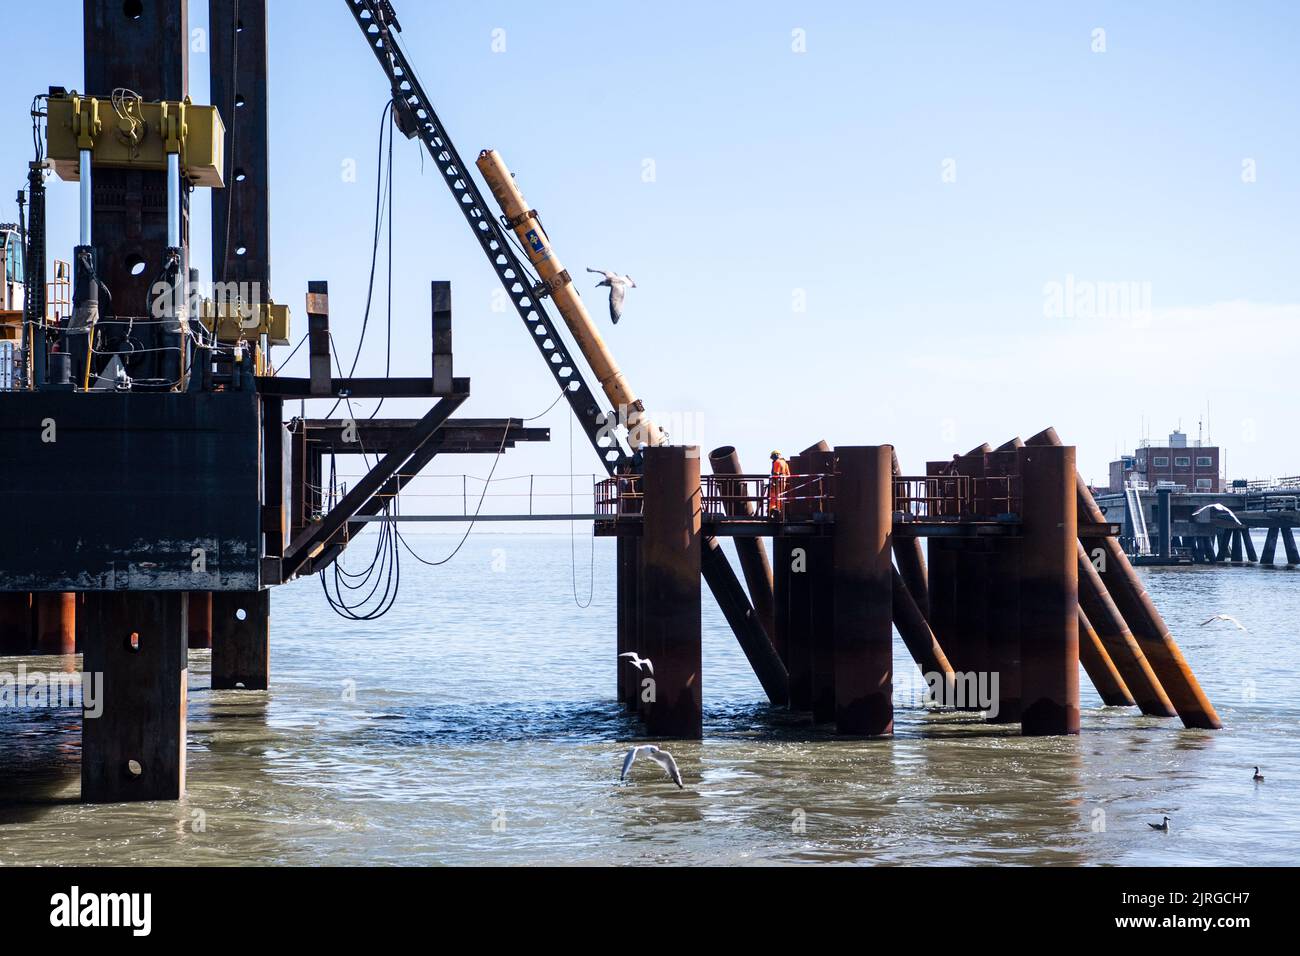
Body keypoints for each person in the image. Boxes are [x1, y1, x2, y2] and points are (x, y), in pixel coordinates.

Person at [768, 450, 790, 517]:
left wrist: (773, 483)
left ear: (776, 455)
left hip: (776, 483)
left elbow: (775, 474)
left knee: (773, 497)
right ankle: (779, 511)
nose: (772, 459)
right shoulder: (785, 463)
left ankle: (773, 510)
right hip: (783, 483)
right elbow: (788, 474)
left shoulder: (777, 462)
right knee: (780, 497)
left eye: (773, 457)